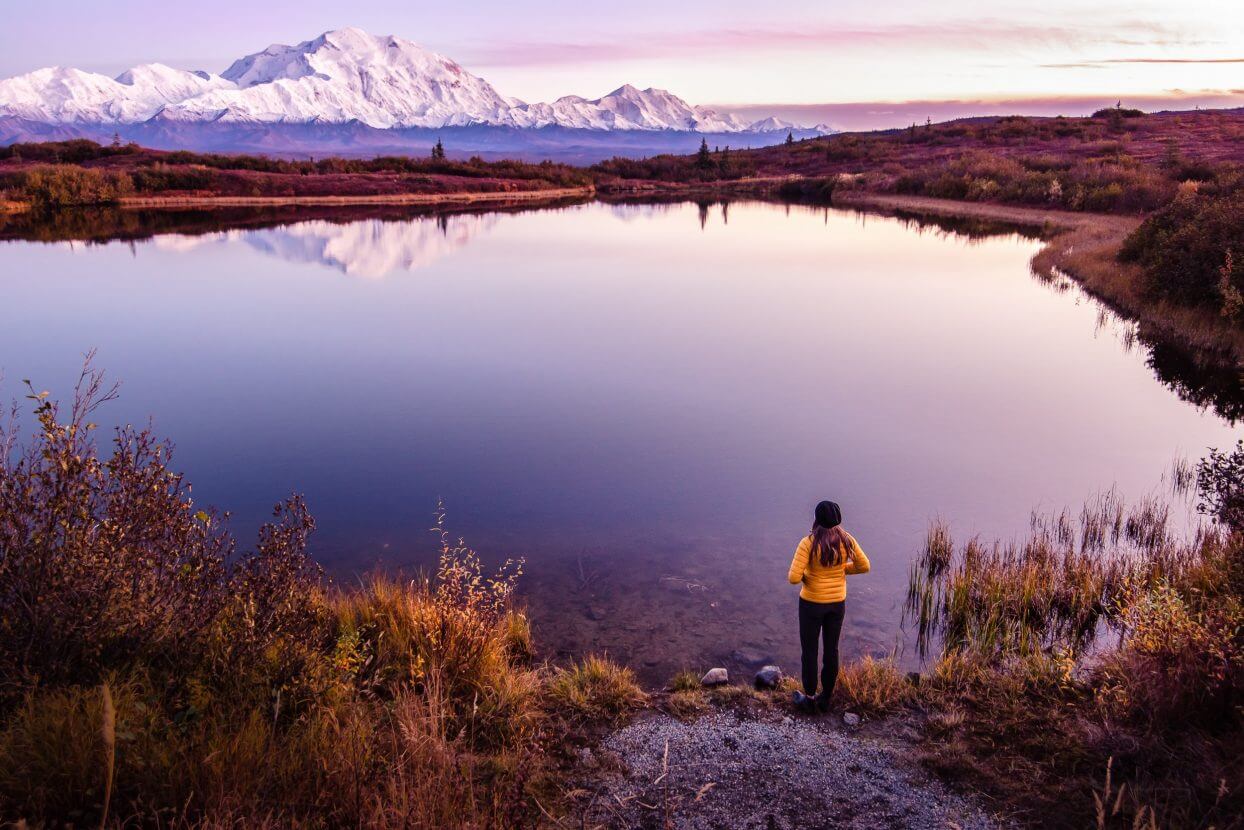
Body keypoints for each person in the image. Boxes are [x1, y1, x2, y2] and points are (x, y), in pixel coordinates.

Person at [787, 500, 870, 713]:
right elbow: (864, 566)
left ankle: (809, 698)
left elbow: (793, 578)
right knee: (831, 650)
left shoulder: (808, 543)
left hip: (811, 604)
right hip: (836, 604)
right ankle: (826, 698)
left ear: (816, 519)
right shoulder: (847, 539)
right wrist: (842, 570)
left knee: (810, 650)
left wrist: (809, 577)